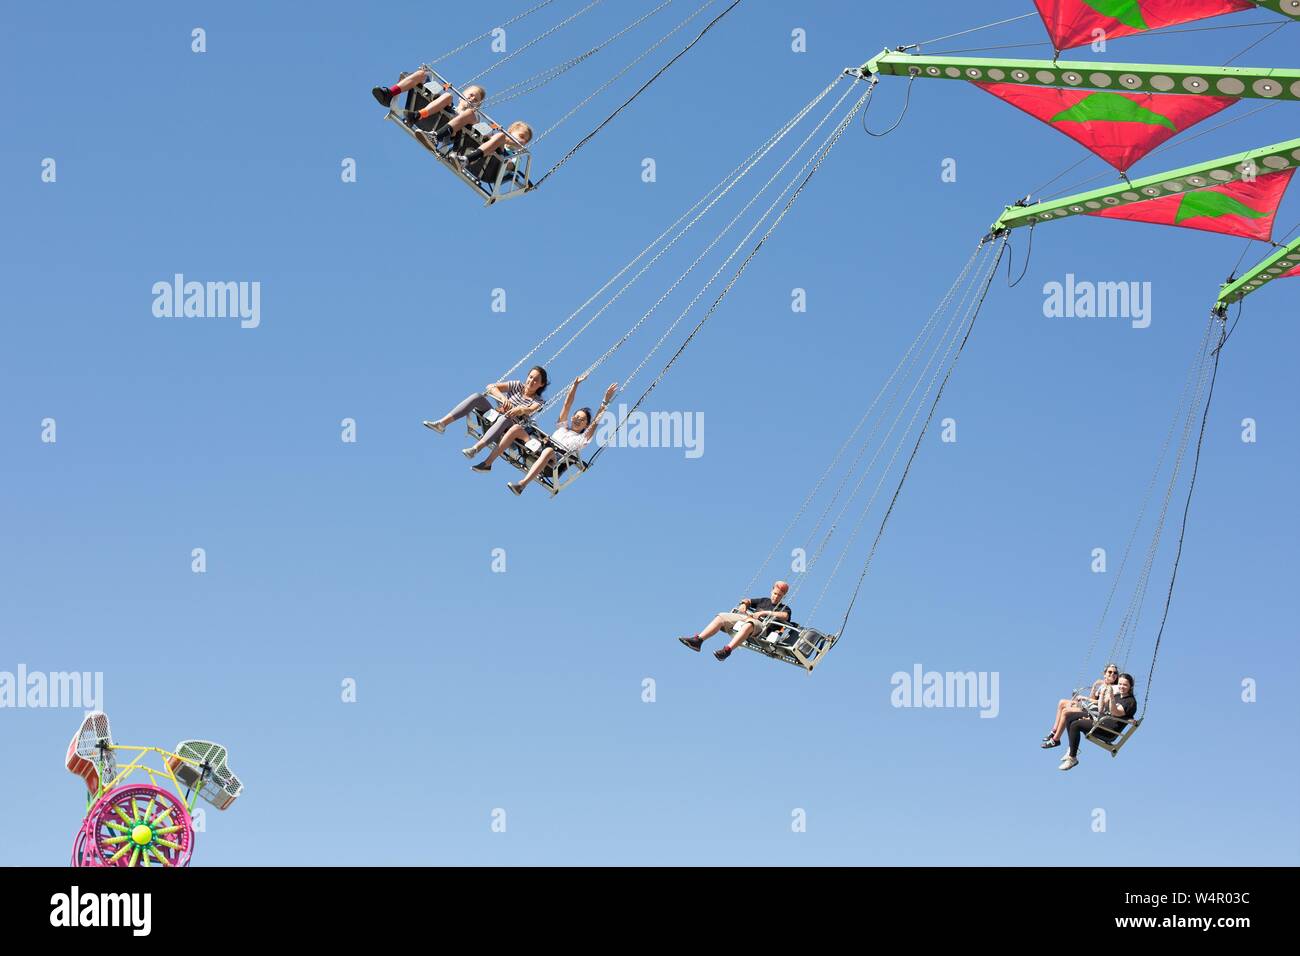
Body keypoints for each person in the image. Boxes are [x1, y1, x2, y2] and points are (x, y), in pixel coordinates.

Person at [465, 372, 615, 492]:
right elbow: (567, 404)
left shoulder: (583, 438)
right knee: (517, 428)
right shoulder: (562, 427)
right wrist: (575, 385)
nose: (576, 419)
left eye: (581, 420)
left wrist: (605, 401)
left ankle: (522, 485)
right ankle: (487, 463)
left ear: (585, 425)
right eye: (576, 416)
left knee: (549, 450)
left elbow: (596, 422)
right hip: (538, 448)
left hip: (554, 463)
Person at [422, 367, 548, 454]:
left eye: (536, 380)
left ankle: (476, 448)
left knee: (506, 418)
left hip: (508, 429)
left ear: (541, 384)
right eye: (530, 377)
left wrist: (519, 410)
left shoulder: (538, 400)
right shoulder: (516, 385)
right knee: (477, 396)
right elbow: (490, 386)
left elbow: (530, 409)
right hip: (496, 416)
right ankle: (442, 424)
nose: (531, 381)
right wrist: (503, 398)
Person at [678, 582, 793, 662]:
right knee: (721, 616)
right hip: (748, 618)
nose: (776, 596)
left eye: (779, 595)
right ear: (772, 591)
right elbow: (748, 600)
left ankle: (726, 651)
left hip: (761, 627)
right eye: (775, 593)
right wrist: (744, 604)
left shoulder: (784, 608)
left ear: (783, 597)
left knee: (749, 624)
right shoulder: (764, 600)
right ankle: (698, 640)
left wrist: (764, 613)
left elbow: (784, 615)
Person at [371, 70, 485, 146]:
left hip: (443, 132)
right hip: (427, 113)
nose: (471, 99)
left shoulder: (473, 117)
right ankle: (389, 94)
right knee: (423, 74)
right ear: (462, 95)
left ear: (477, 106)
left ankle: (420, 120)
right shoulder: (448, 101)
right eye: (470, 95)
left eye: (475, 100)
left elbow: (474, 119)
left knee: (449, 97)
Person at [1058, 673, 1138, 771]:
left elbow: (1115, 712)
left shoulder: (1130, 702)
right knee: (1070, 716)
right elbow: (1101, 709)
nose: (1121, 687)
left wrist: (1111, 697)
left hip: (1108, 730)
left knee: (1076, 725)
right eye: (1120, 684)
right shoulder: (1118, 696)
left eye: (1125, 685)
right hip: (1100, 722)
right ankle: (1072, 748)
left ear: (1130, 686)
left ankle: (1072, 758)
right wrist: (1103, 694)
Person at [1041, 664, 1119, 749]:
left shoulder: (1114, 688)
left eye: (1115, 673)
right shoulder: (1103, 685)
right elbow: (1092, 698)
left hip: (1094, 711)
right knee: (1062, 703)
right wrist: (1094, 687)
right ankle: (1054, 731)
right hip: (1089, 707)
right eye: (1110, 672)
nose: (1112, 674)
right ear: (1105, 674)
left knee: (1065, 711)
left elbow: (1102, 703)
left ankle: (1056, 739)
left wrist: (1084, 698)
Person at [457, 121, 533, 169]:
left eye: (526, 141)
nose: (523, 141)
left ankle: (467, 159)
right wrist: (494, 127)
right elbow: (482, 129)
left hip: (491, 169)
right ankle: (466, 158)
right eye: (521, 136)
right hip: (477, 154)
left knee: (500, 137)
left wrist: (504, 141)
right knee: (493, 134)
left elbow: (509, 166)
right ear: (510, 132)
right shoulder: (498, 137)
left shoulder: (516, 156)